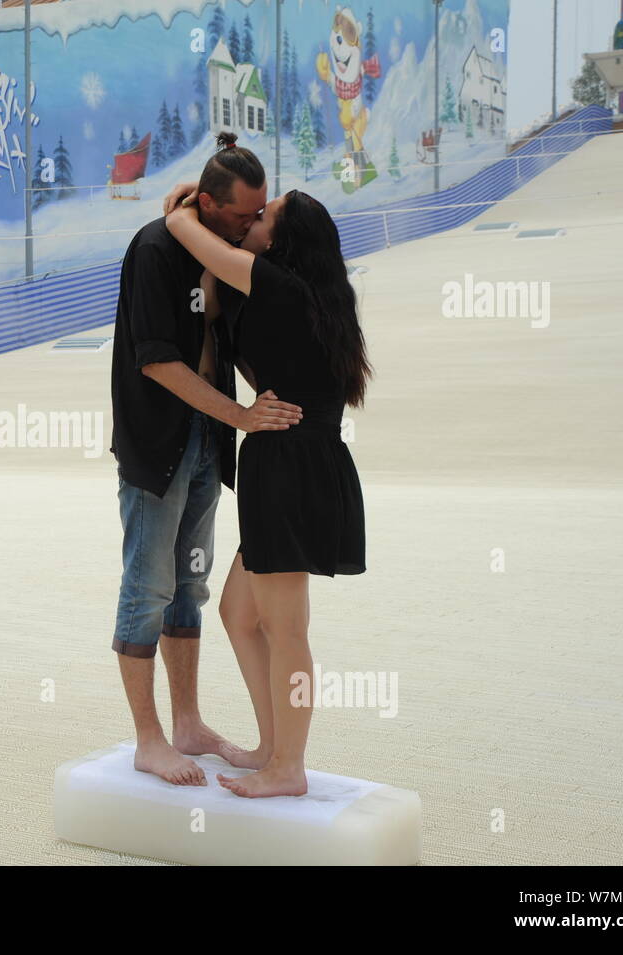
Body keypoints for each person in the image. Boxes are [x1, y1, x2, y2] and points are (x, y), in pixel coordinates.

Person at [164, 155, 372, 798]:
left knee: (286, 629)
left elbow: (185, 231)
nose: (253, 220)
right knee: (236, 612)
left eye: (265, 216)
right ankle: (274, 746)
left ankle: (291, 767)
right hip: (288, 463)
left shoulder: (277, 285)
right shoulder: (295, 292)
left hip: (291, 468)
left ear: (277, 242)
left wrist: (181, 204)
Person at [110, 133, 305, 786]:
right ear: (211, 204)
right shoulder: (155, 249)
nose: (255, 222)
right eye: (246, 214)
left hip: (205, 442)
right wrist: (243, 416)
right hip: (159, 441)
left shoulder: (222, 253)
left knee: (189, 585)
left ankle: (188, 721)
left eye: (261, 213)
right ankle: (148, 736)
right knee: (148, 588)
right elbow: (158, 361)